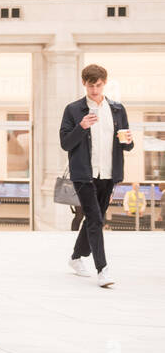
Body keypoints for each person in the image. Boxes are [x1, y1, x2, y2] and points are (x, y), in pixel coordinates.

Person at [60, 63, 133, 287]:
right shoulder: (73, 110)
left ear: (104, 83)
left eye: (99, 86)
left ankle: (75, 257)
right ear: (84, 84)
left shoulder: (117, 109)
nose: (95, 90)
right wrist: (81, 126)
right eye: (91, 86)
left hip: (109, 174)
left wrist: (129, 141)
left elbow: (127, 146)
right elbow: (65, 143)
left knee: (94, 219)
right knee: (95, 219)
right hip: (84, 174)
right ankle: (103, 270)